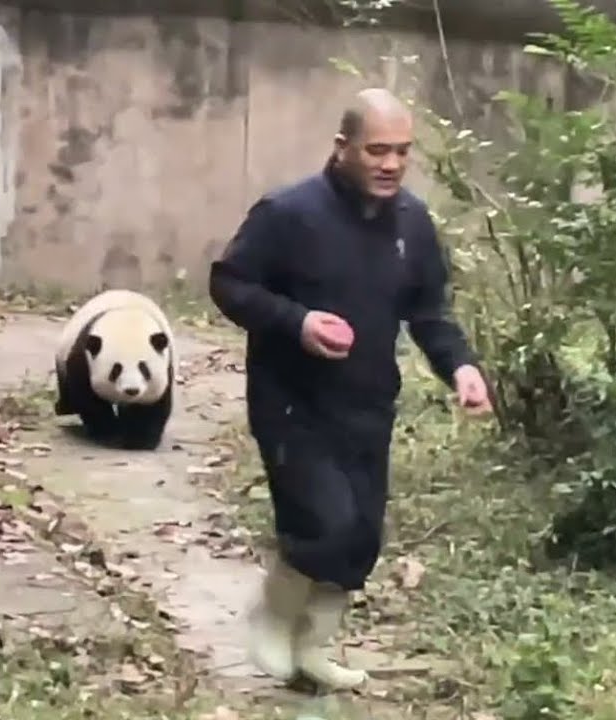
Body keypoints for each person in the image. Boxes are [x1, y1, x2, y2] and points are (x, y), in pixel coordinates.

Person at [208, 87, 492, 690]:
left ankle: (313, 651)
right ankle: (273, 613)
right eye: (377, 150)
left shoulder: (413, 222)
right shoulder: (288, 213)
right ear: (343, 149)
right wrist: (298, 322)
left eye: (402, 152)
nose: (391, 164)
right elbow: (230, 283)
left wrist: (461, 368)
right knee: (325, 521)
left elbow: (429, 312)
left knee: (360, 539)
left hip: (367, 405)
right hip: (291, 401)